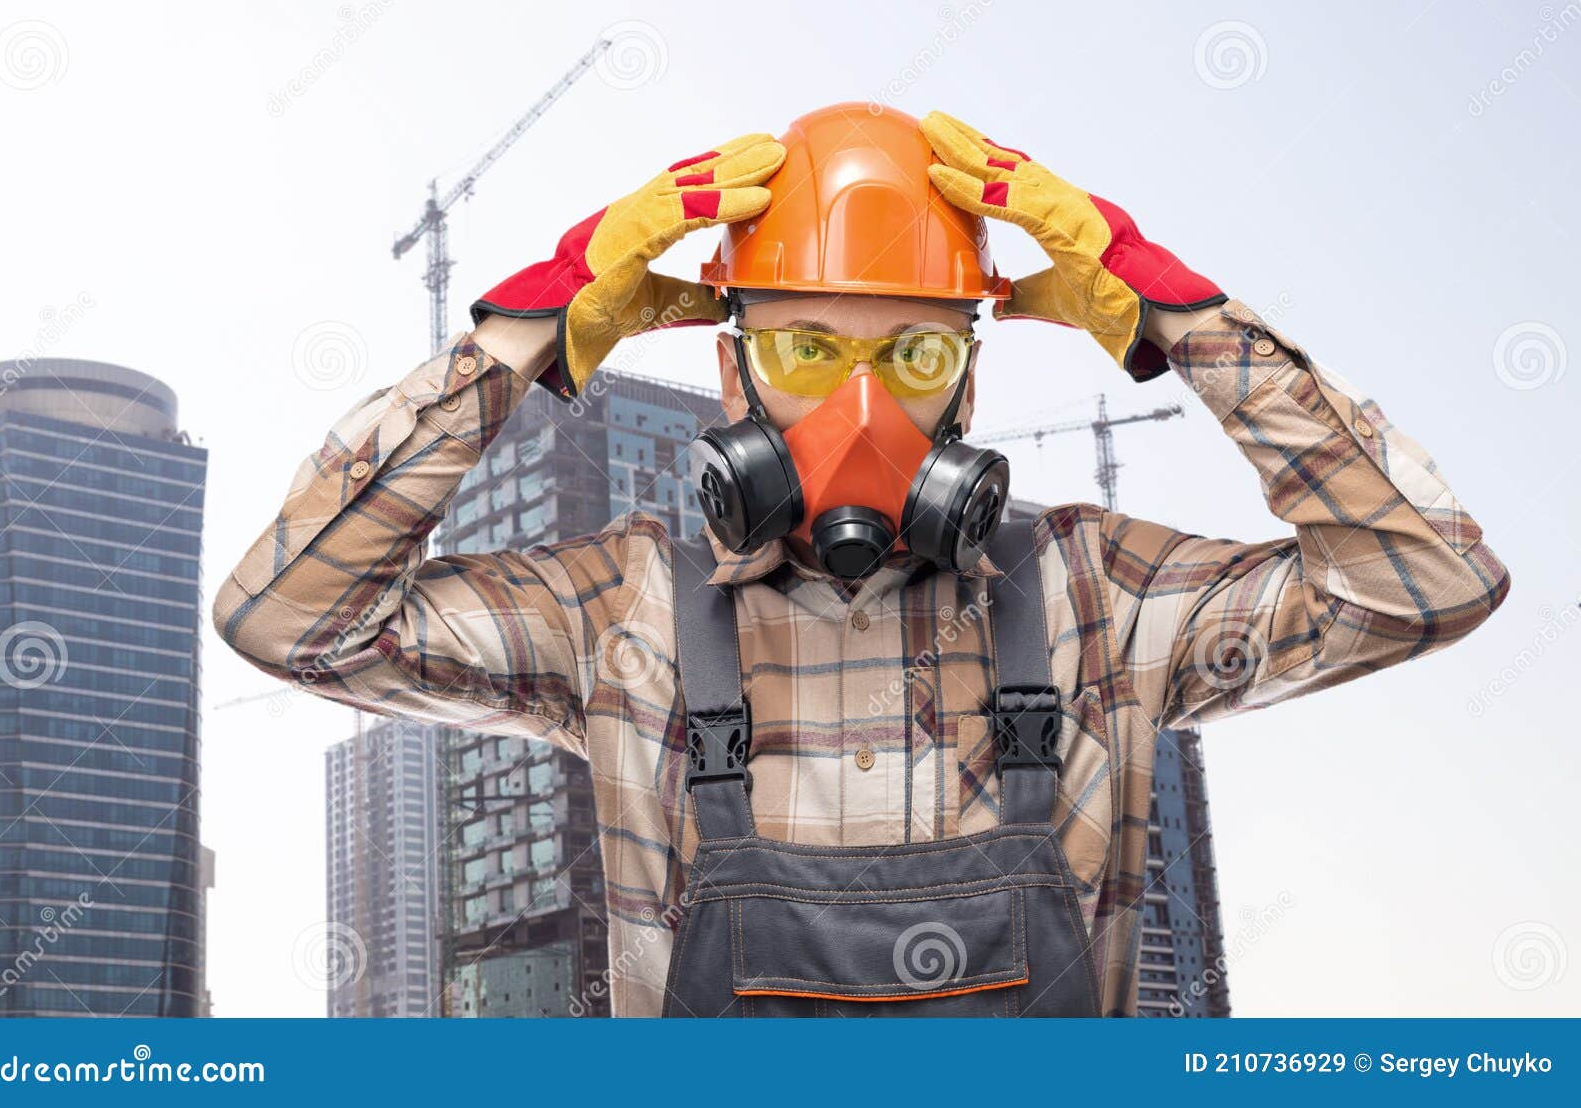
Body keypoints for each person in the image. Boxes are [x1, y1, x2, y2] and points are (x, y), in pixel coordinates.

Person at [214, 103, 1509, 1017]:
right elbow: (292, 616)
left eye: (918, 354)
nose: (864, 408)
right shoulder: (622, 613)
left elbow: (1427, 580)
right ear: (730, 365)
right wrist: (514, 342)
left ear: (971, 384)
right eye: (808, 353)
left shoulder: (1094, 596)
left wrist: (1190, 321)